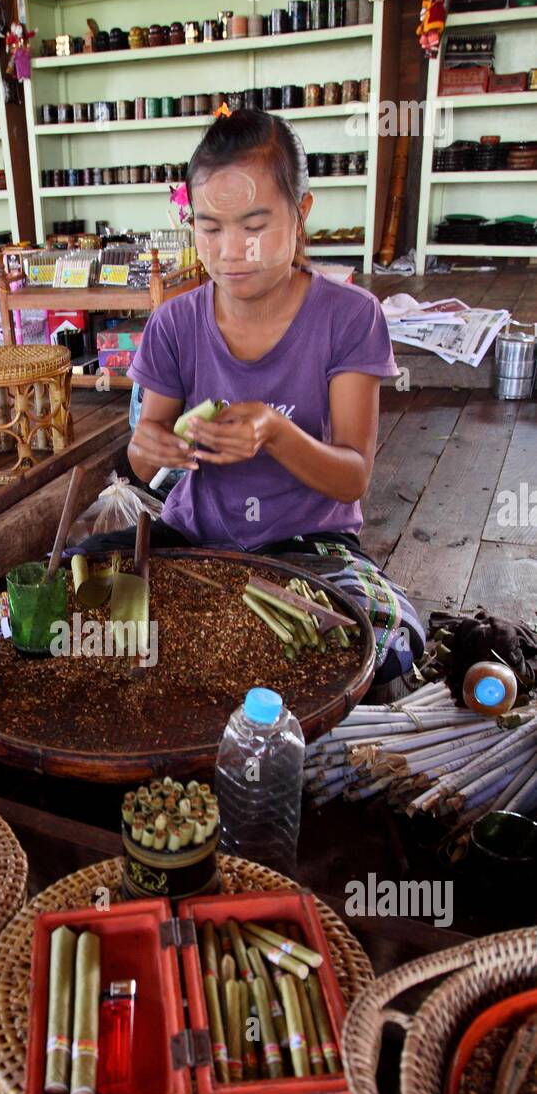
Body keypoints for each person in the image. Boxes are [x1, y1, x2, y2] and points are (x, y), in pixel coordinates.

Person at [81, 108, 424, 685]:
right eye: (210, 228)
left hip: (309, 545)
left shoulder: (350, 317)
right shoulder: (174, 323)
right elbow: (142, 464)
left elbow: (352, 477)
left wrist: (275, 432)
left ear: (301, 212)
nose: (231, 250)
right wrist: (152, 447)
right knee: (79, 581)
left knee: (384, 639)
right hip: (195, 538)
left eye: (255, 225)